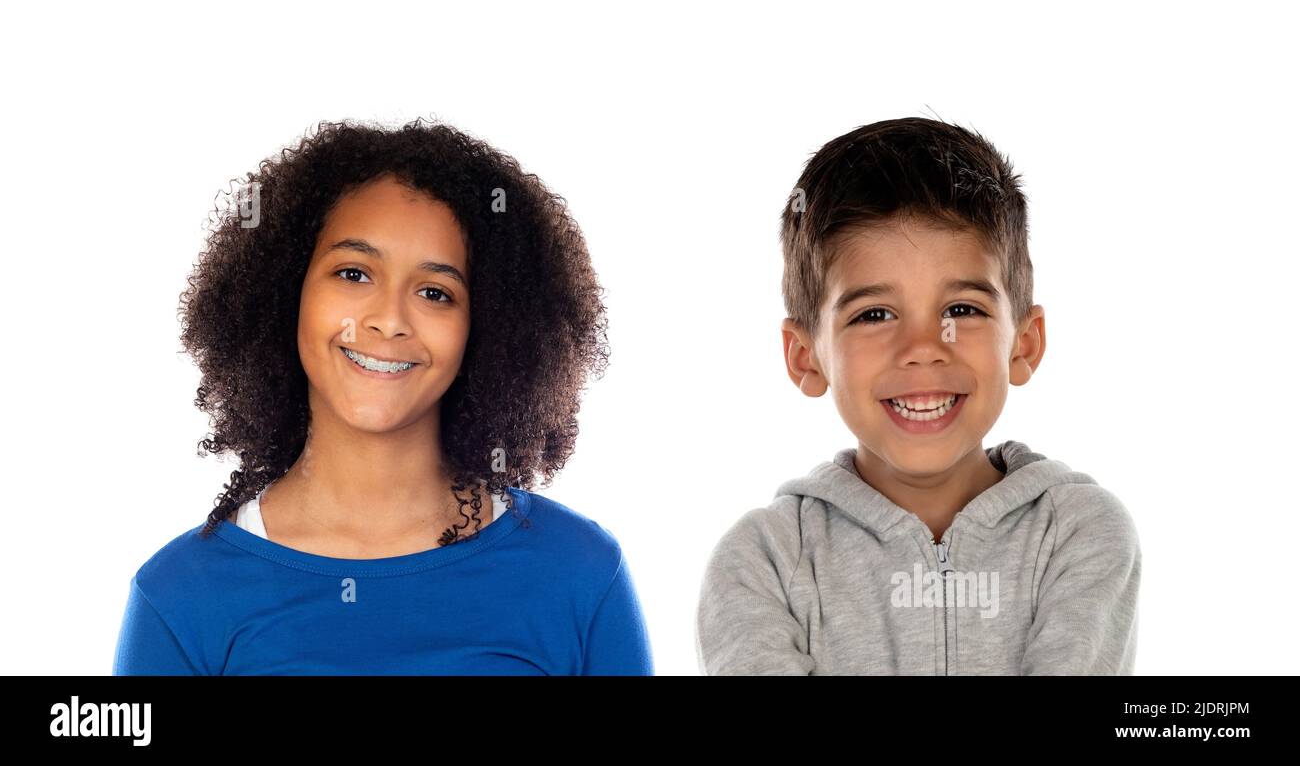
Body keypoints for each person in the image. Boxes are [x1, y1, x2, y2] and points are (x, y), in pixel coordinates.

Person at [113, 118, 653, 675]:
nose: (389, 320)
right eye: (353, 272)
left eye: (434, 292)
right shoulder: (180, 600)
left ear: (486, 326)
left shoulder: (579, 574)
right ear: (285, 292)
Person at [695, 117, 1140, 675]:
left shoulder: (1080, 532)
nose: (924, 348)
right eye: (874, 315)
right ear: (805, 356)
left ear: (1024, 343)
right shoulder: (761, 564)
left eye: (962, 310)